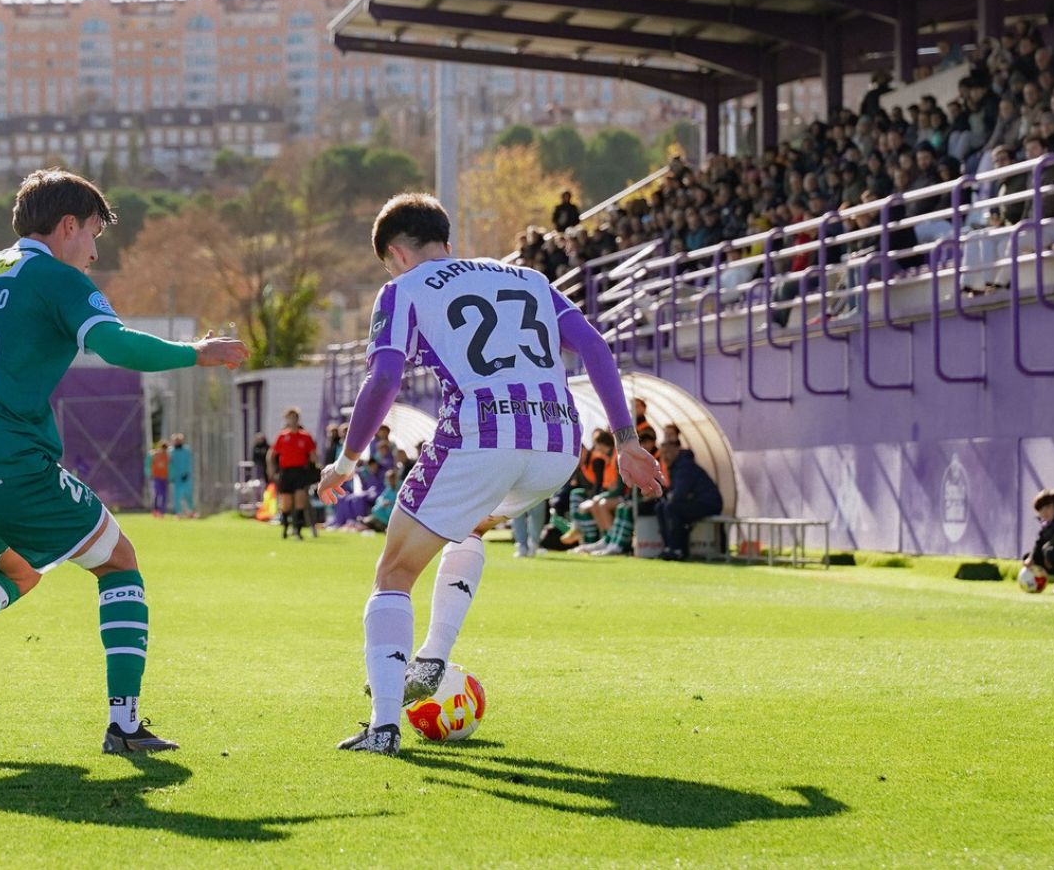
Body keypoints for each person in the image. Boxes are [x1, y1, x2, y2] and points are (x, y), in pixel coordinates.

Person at [0, 168, 248, 755]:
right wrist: (196, 352)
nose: (93, 252)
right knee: (118, 562)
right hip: (8, 466)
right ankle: (125, 725)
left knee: (18, 569)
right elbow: (115, 345)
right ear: (67, 227)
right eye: (93, 234)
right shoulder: (58, 279)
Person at [317, 192, 664, 755]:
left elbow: (383, 379)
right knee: (471, 527)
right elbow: (596, 348)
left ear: (397, 255)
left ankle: (383, 726)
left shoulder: (401, 289)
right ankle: (431, 658)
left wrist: (347, 460)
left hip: (482, 434)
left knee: (394, 573)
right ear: (447, 242)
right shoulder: (527, 277)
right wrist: (626, 441)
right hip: (557, 442)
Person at [655, 440, 723, 561]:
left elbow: (679, 494)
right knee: (661, 507)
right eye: (663, 453)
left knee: (670, 508)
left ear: (676, 451)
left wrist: (671, 496)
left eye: (668, 452)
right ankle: (669, 548)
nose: (665, 457)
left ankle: (676, 549)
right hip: (699, 502)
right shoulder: (675, 467)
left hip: (709, 504)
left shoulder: (684, 466)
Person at [267, 408, 318, 540]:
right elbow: (272, 454)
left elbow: (313, 455)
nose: (292, 420)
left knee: (300, 500)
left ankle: (298, 531)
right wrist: (271, 468)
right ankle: (285, 528)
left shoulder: (305, 436)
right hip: (286, 472)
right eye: (290, 417)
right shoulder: (282, 436)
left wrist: (315, 465)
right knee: (286, 503)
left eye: (295, 417)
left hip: (300, 471)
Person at [167, 433, 195, 519]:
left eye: (179, 440)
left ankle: (191, 512)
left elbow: (189, 463)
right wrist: (171, 476)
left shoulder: (186, 450)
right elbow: (169, 465)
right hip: (176, 478)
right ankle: (178, 513)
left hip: (186, 477)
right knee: (177, 496)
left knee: (188, 495)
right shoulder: (171, 451)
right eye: (176, 440)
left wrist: (187, 473)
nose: (177, 442)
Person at [146, 439, 170, 517]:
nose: (164, 450)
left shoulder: (167, 456)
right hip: (157, 477)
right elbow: (148, 464)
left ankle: (162, 511)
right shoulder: (154, 454)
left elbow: (169, 467)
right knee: (157, 493)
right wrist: (149, 473)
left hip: (164, 477)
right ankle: (156, 510)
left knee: (164, 494)